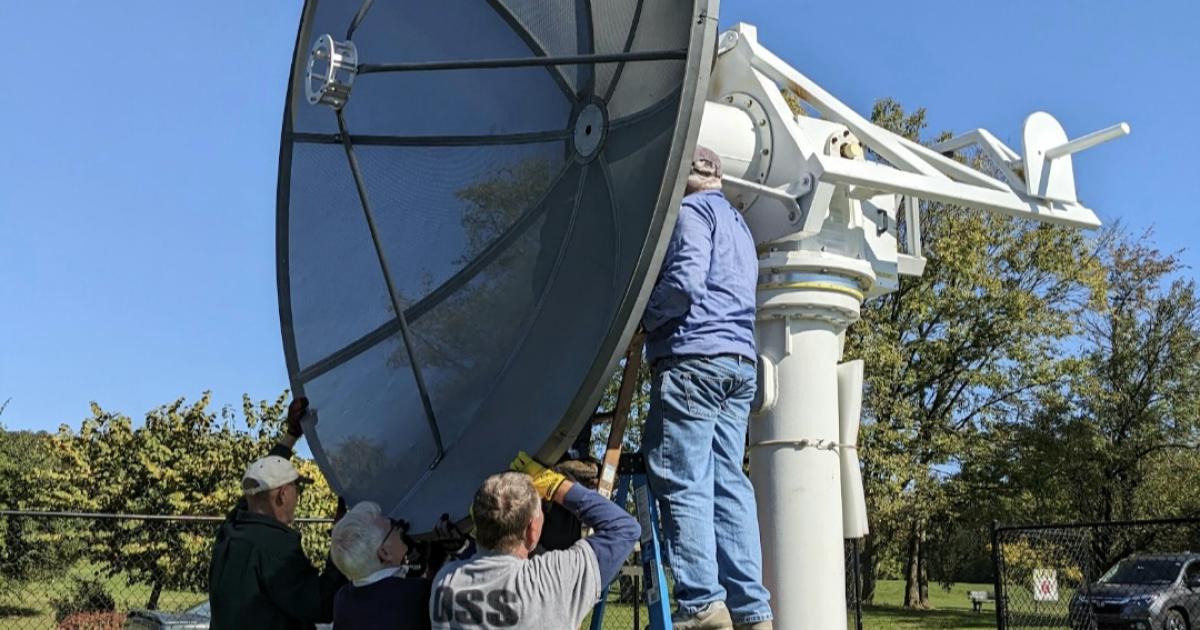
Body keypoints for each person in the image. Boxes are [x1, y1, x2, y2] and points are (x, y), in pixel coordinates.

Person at [640, 146, 774, 630]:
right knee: (729, 484)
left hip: (694, 357)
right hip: (738, 363)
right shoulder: (739, 226)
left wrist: (645, 319)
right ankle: (752, 611)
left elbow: (685, 283)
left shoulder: (691, 213)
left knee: (683, 476)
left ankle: (701, 605)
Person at [429, 452, 640, 629]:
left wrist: (464, 547)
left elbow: (484, 576)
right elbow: (624, 528)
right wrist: (555, 485)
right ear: (532, 530)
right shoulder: (552, 580)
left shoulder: (446, 583)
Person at [208, 397, 345, 629]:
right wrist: (341, 540)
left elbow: (259, 485)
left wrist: (291, 435)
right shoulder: (277, 549)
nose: (297, 496)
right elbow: (322, 605)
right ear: (282, 494)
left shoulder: (232, 529)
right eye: (295, 488)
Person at [328, 501, 432, 630]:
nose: (400, 531)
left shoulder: (343, 601)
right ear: (385, 552)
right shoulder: (417, 595)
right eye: (394, 528)